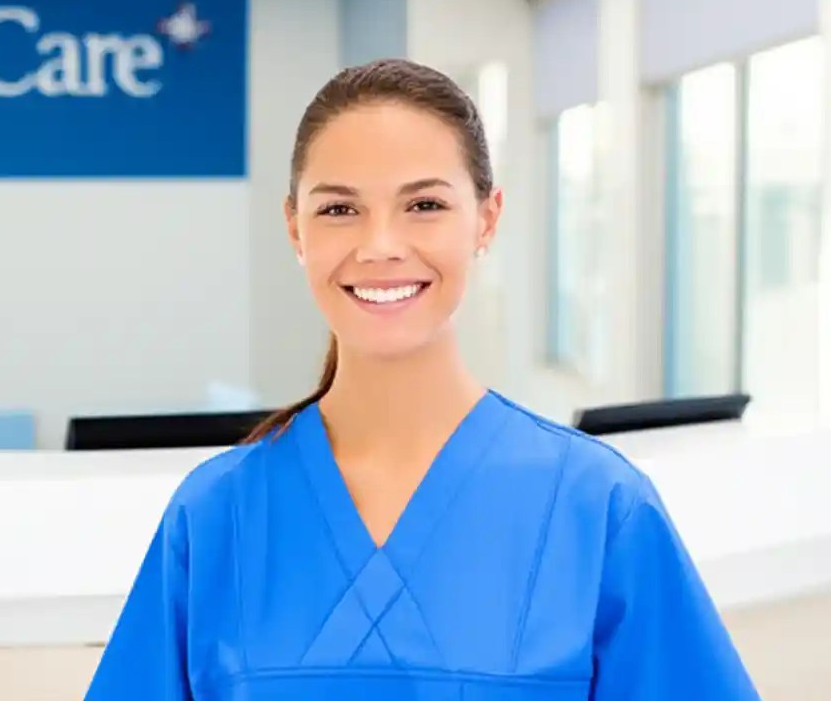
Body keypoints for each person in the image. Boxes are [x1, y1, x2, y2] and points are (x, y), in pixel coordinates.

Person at [85, 59, 760, 700]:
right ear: (295, 227)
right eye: (340, 209)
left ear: (486, 219)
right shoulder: (214, 518)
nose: (380, 244)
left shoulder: (597, 508)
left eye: (425, 205)